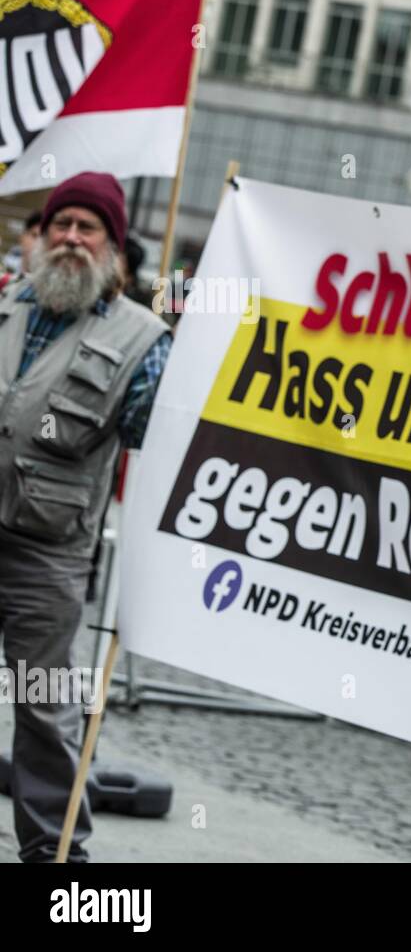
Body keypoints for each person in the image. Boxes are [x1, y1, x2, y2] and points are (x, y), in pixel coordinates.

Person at [0, 172, 172, 862]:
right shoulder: (5, 304)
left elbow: (152, 439)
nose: (72, 237)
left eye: (88, 227)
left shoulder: (144, 337)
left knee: (43, 707)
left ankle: (57, 862)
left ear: (113, 250)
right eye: (61, 223)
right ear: (41, 236)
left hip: (47, 556)